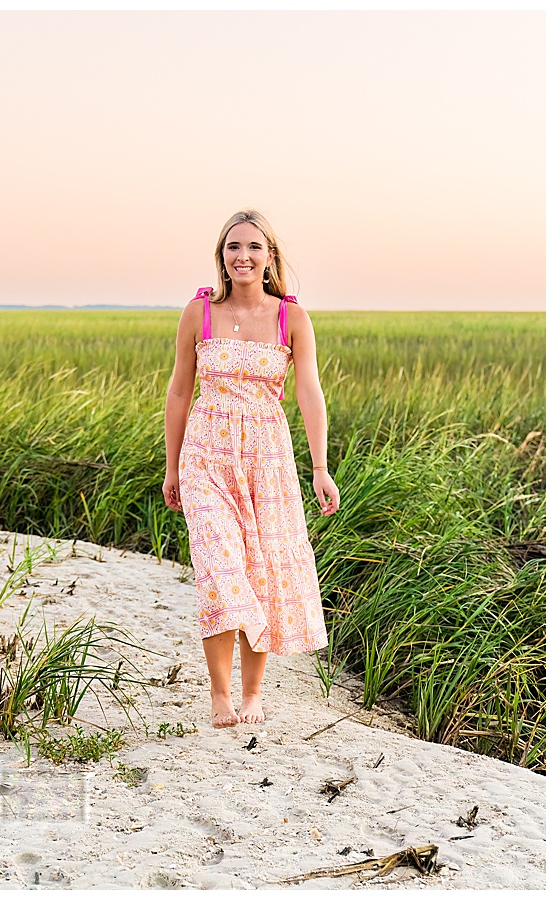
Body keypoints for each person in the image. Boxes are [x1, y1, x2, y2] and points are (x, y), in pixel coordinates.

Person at [161, 209, 338, 729]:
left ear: (270, 256)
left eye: (253, 247)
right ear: (222, 256)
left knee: (259, 572)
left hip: (268, 457)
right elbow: (178, 391)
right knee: (219, 570)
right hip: (205, 454)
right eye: (233, 247)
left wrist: (320, 467)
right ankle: (219, 695)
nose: (243, 256)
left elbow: (309, 393)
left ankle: (253, 693)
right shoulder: (199, 312)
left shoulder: (292, 318)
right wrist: (172, 467)